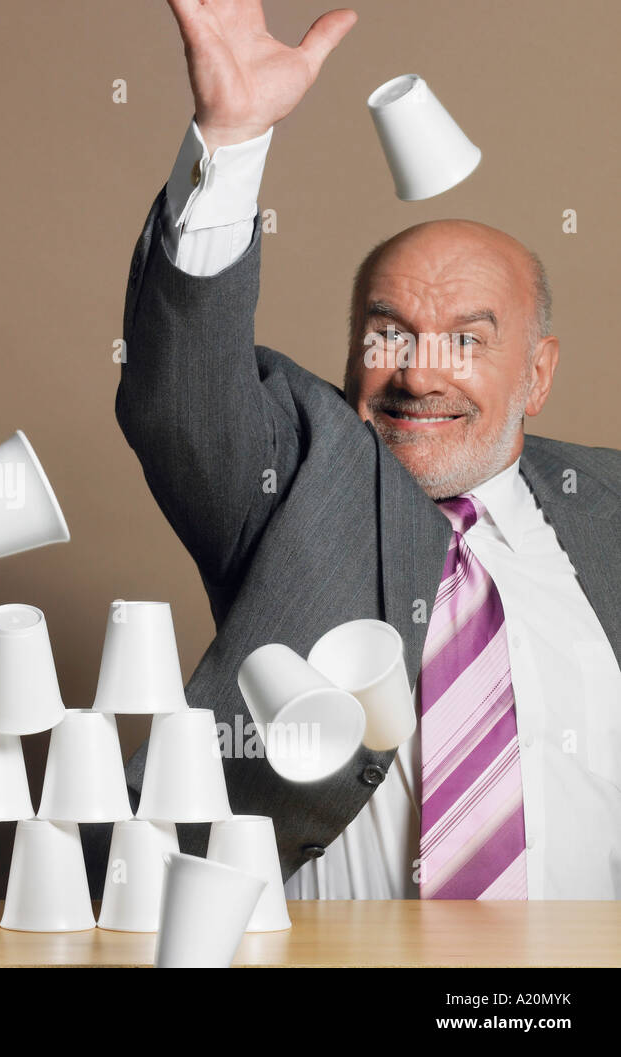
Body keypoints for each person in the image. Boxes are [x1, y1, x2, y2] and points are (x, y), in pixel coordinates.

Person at [111, 0, 621, 898]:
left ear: (536, 374)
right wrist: (231, 140)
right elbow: (182, 403)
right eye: (388, 334)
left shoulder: (606, 506)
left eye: (466, 340)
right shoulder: (299, 479)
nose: (419, 374)